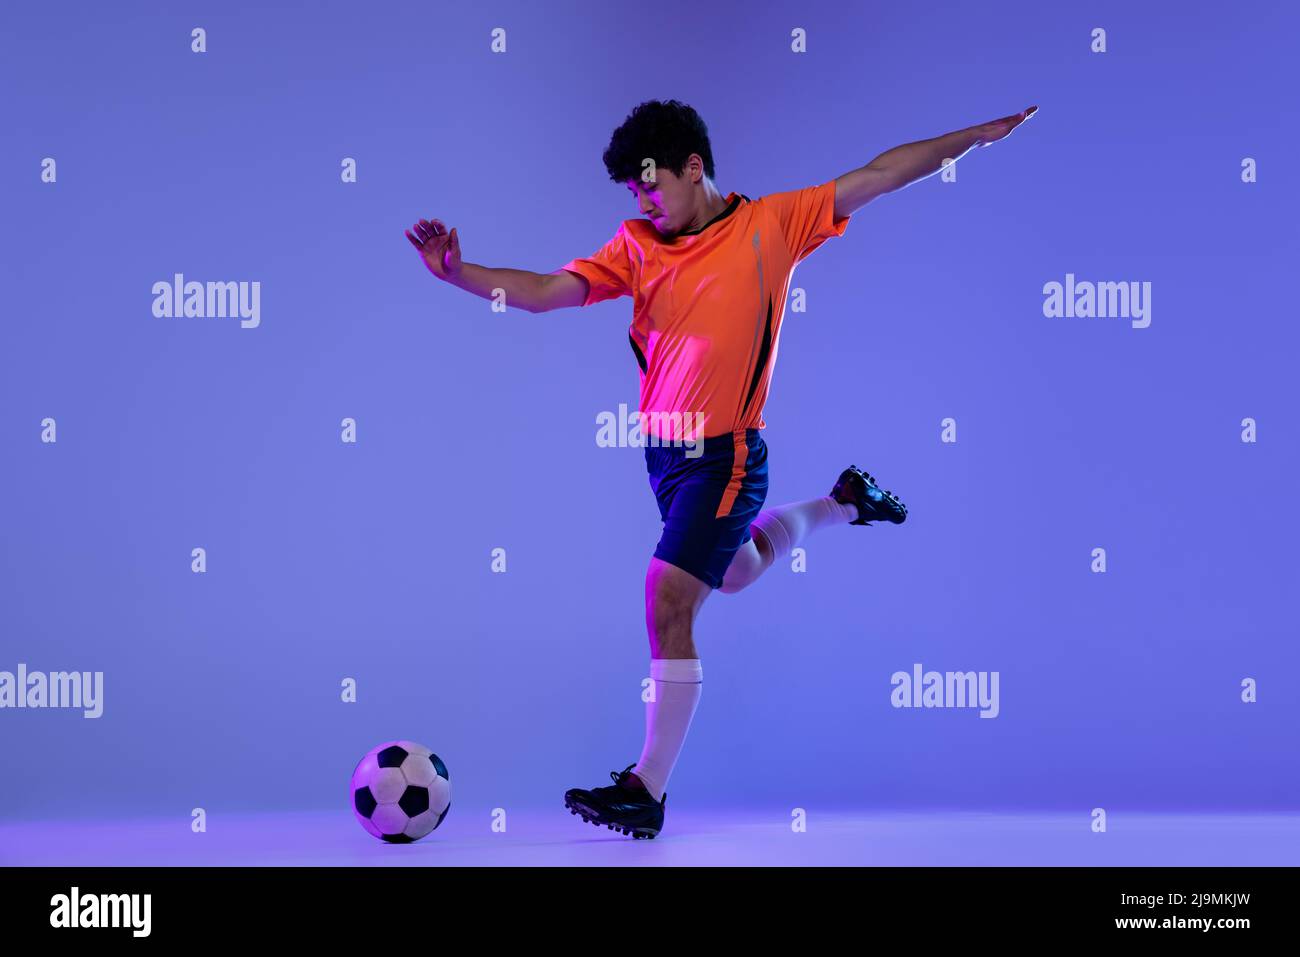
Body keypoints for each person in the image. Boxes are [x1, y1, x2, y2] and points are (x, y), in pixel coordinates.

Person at [405, 99, 1036, 839]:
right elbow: (546, 292)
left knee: (667, 596)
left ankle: (647, 788)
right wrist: (457, 274)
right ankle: (843, 502)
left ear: (693, 167)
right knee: (733, 569)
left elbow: (883, 173)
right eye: (634, 192)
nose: (643, 201)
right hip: (665, 462)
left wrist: (974, 137)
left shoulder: (773, 224)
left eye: (650, 185)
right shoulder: (635, 245)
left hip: (726, 454)